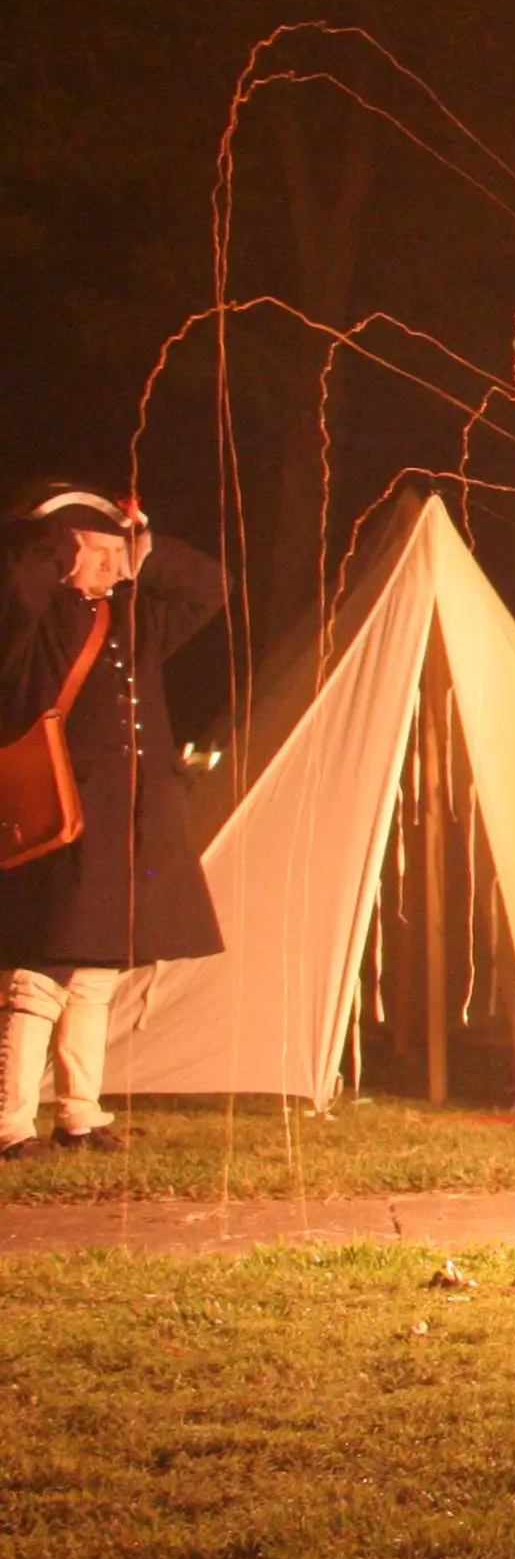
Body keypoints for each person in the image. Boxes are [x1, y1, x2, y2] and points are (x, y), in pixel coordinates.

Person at [0, 484, 227, 1158]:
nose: (111, 566)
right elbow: (19, 594)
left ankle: (81, 1114)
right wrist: (53, 539)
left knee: (97, 971)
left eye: (115, 555)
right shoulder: (36, 622)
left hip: (131, 818)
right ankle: (10, 1123)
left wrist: (141, 542)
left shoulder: (133, 620)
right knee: (44, 973)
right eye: (96, 553)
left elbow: (210, 585)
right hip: (64, 817)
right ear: (64, 556)